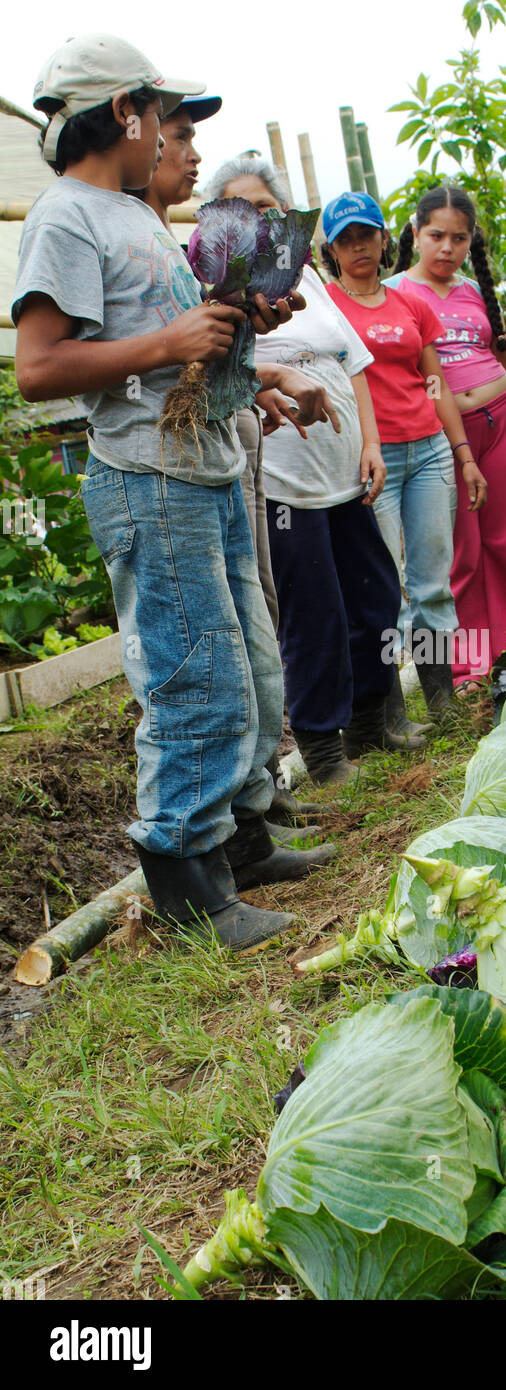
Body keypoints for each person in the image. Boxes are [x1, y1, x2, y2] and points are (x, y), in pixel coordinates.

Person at [14, 35, 331, 954]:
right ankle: (190, 890)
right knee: (194, 677)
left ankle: (241, 843)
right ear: (124, 112)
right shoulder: (66, 219)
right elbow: (39, 367)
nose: (169, 137)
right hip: (148, 481)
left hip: (202, 469)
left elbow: (186, 346)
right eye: (161, 115)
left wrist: (254, 358)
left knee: (246, 668)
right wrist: (169, 343)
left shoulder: (135, 216)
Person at [139, 104, 338, 822]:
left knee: (255, 618)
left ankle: (259, 800)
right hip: (172, 464)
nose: (188, 152)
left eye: (192, 137)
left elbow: (202, 350)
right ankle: (220, 827)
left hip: (224, 443)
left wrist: (256, 375)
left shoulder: (158, 240)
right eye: (179, 137)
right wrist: (254, 373)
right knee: (209, 649)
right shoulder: (136, 240)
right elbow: (154, 357)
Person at [207, 156, 408, 786]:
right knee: (312, 613)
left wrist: (370, 445)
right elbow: (218, 377)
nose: (258, 218)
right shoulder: (222, 291)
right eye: (240, 208)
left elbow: (353, 365)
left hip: (345, 471)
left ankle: (373, 723)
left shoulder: (308, 279)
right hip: (284, 484)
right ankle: (322, 749)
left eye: (266, 205)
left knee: (377, 597)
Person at [321, 193, 488, 718]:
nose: (358, 247)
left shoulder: (408, 303)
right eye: (345, 240)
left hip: (431, 454)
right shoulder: (327, 307)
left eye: (366, 235)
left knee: (433, 581)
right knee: (384, 588)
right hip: (376, 462)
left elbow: (435, 384)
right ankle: (389, 708)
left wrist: (462, 453)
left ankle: (441, 701)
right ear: (331, 249)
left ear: (384, 238)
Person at [385, 186, 506, 689]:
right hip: (445, 435)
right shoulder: (397, 293)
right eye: (436, 236)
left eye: (459, 238)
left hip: (502, 421)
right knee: (461, 553)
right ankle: (467, 661)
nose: (447, 248)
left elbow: (499, 355)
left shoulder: (474, 291)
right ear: (415, 231)